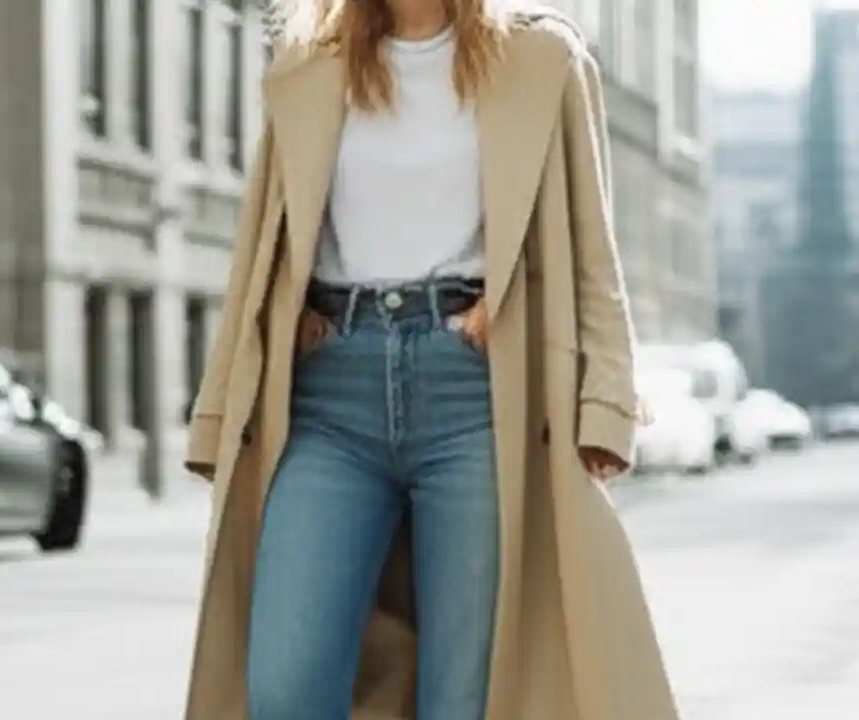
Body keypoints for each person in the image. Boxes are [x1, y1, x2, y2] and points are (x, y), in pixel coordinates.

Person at [182, 0, 679, 718]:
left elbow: (590, 249)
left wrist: (605, 401)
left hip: (475, 397)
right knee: (284, 688)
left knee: (467, 699)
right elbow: (263, 244)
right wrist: (228, 397)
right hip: (330, 400)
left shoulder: (541, 62)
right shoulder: (307, 67)